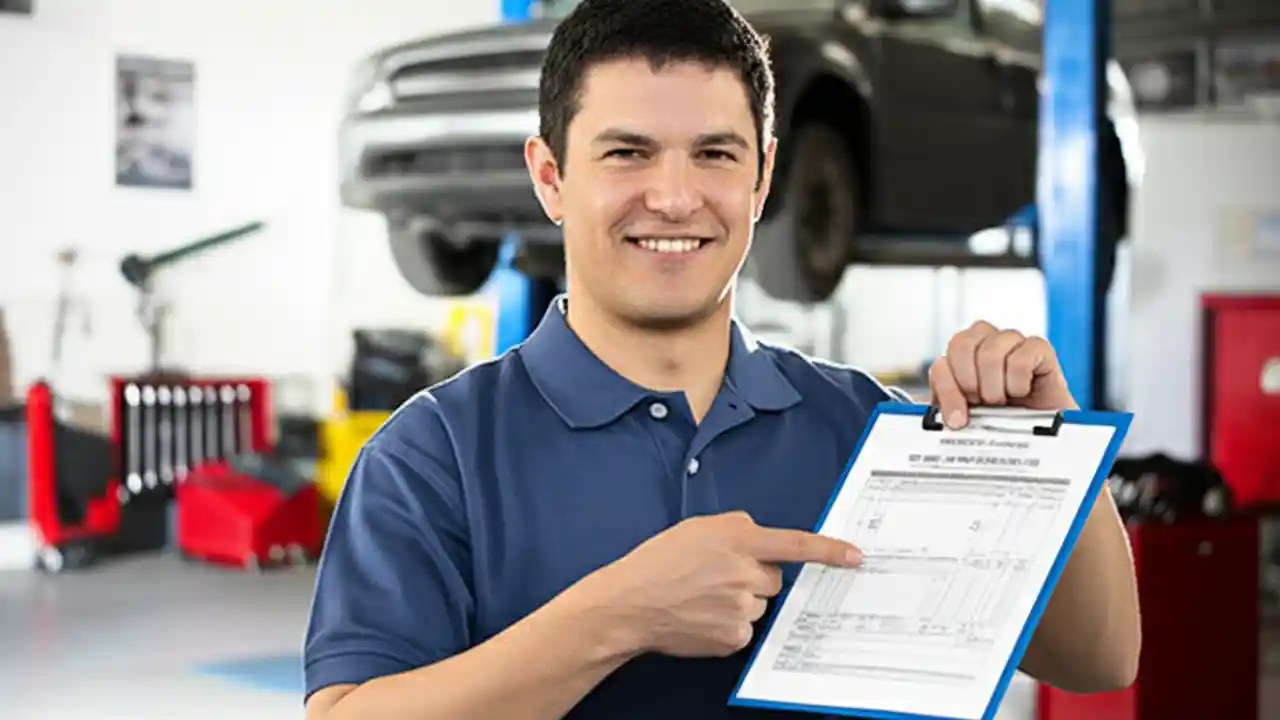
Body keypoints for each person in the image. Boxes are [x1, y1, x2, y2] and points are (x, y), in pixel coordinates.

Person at [303, 1, 1141, 717]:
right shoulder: (434, 453)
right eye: (627, 153)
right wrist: (620, 615)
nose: (675, 197)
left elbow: (1099, 661)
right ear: (552, 177)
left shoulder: (866, 427)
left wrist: (1053, 443)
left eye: (715, 154)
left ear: (764, 175)